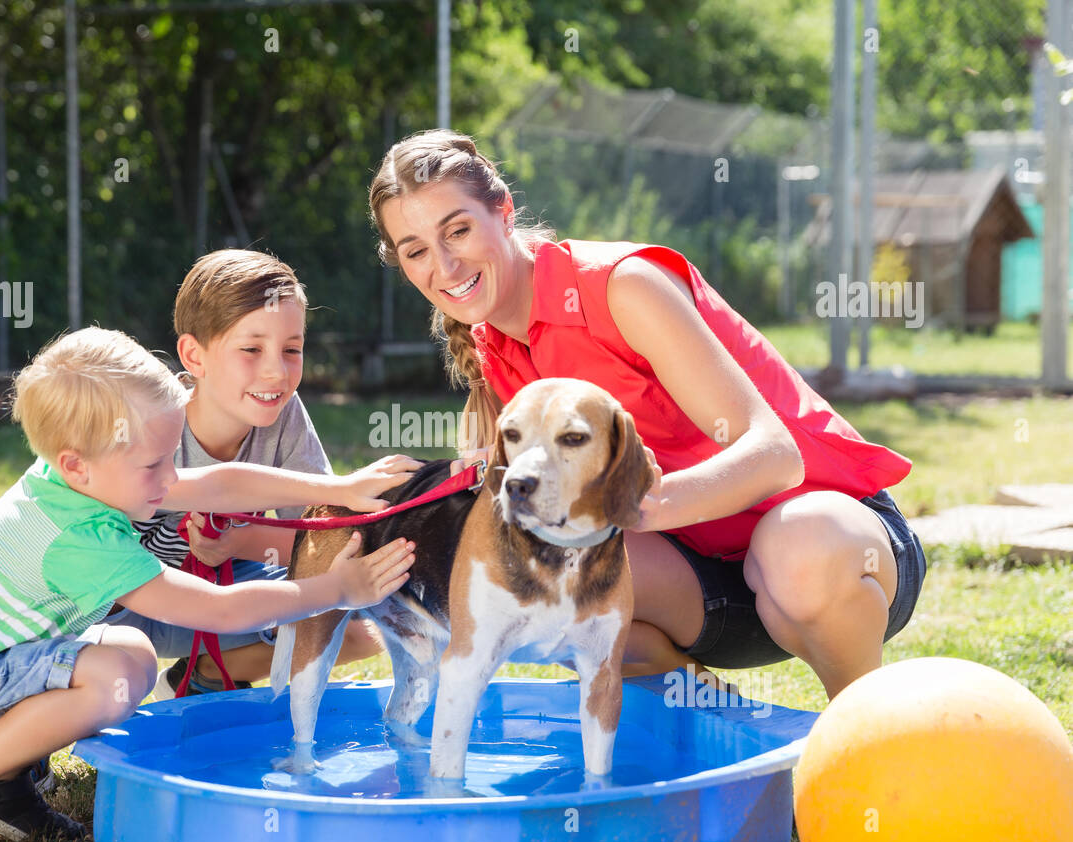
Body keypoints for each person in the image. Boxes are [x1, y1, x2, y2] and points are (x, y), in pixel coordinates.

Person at [368, 129, 927, 701]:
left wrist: (634, 502)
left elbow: (776, 455)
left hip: (836, 553)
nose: (444, 264)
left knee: (797, 548)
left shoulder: (620, 287)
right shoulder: (490, 348)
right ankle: (721, 734)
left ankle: (861, 731)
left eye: (457, 230)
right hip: (710, 589)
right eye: (415, 251)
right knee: (540, 569)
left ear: (504, 213)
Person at [0, 326, 416, 842]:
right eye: (155, 465)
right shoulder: (78, 535)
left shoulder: (80, 476)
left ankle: (0, 786)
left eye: (169, 458)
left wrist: (337, 488)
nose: (171, 477)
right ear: (76, 463)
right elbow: (218, 609)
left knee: (128, 651)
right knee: (115, 676)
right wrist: (337, 588)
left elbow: (217, 484)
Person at [106, 249, 384, 697]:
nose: (276, 370)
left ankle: (202, 677)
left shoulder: (283, 411)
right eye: (251, 349)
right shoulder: (148, 424)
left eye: (291, 350)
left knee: (360, 620)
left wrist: (238, 542)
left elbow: (322, 537)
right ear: (194, 357)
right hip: (127, 610)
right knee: (117, 677)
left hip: (227, 596)